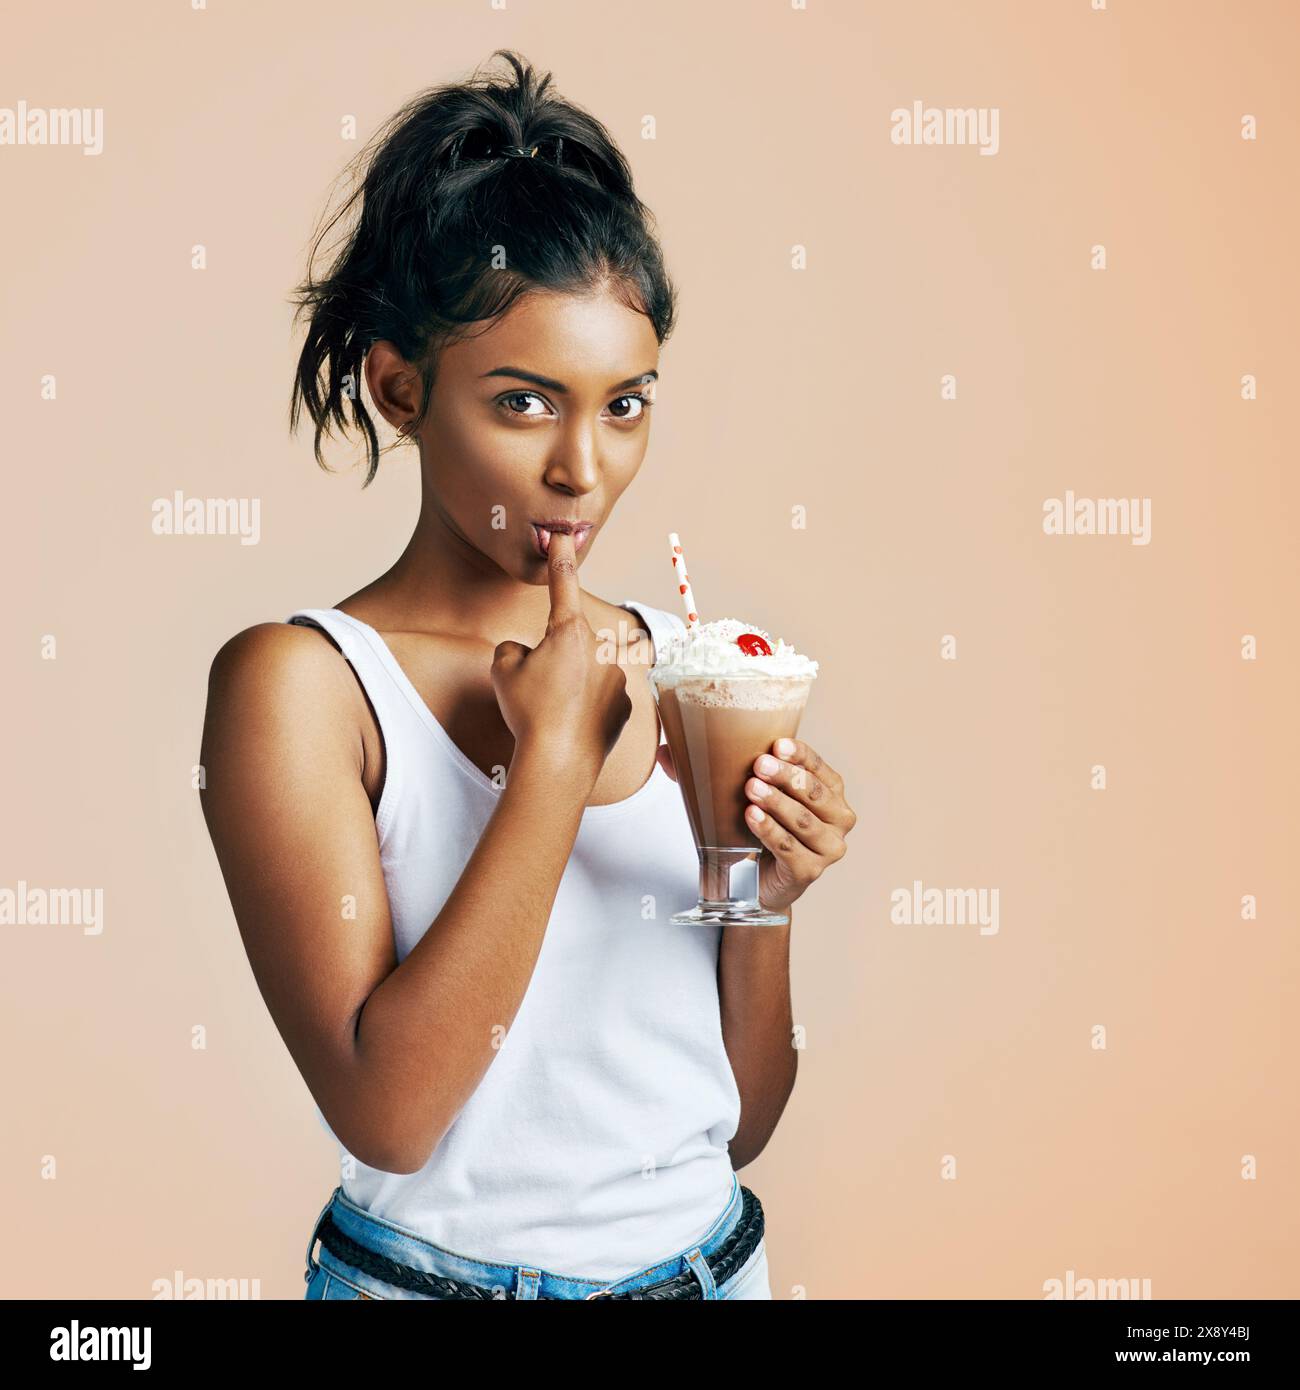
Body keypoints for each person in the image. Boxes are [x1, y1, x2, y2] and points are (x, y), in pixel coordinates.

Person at [198, 49, 856, 1302]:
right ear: (400, 387)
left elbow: (731, 1120)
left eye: (624, 406)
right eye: (522, 403)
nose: (582, 469)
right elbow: (390, 1113)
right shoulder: (306, 690)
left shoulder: (687, 671)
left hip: (716, 1274)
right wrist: (550, 764)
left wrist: (757, 892)